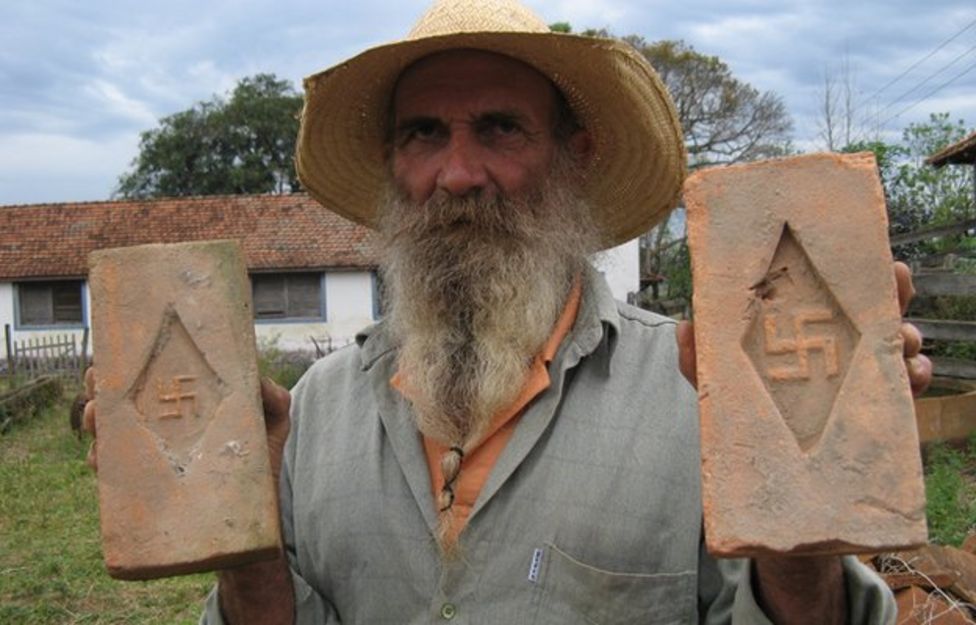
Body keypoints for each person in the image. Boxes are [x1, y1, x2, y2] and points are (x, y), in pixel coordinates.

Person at [85, 0, 932, 623]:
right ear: (392, 164)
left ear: (574, 156)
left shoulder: (702, 393)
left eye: (499, 129)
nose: (457, 174)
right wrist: (246, 541)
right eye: (423, 134)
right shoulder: (309, 413)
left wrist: (809, 491)